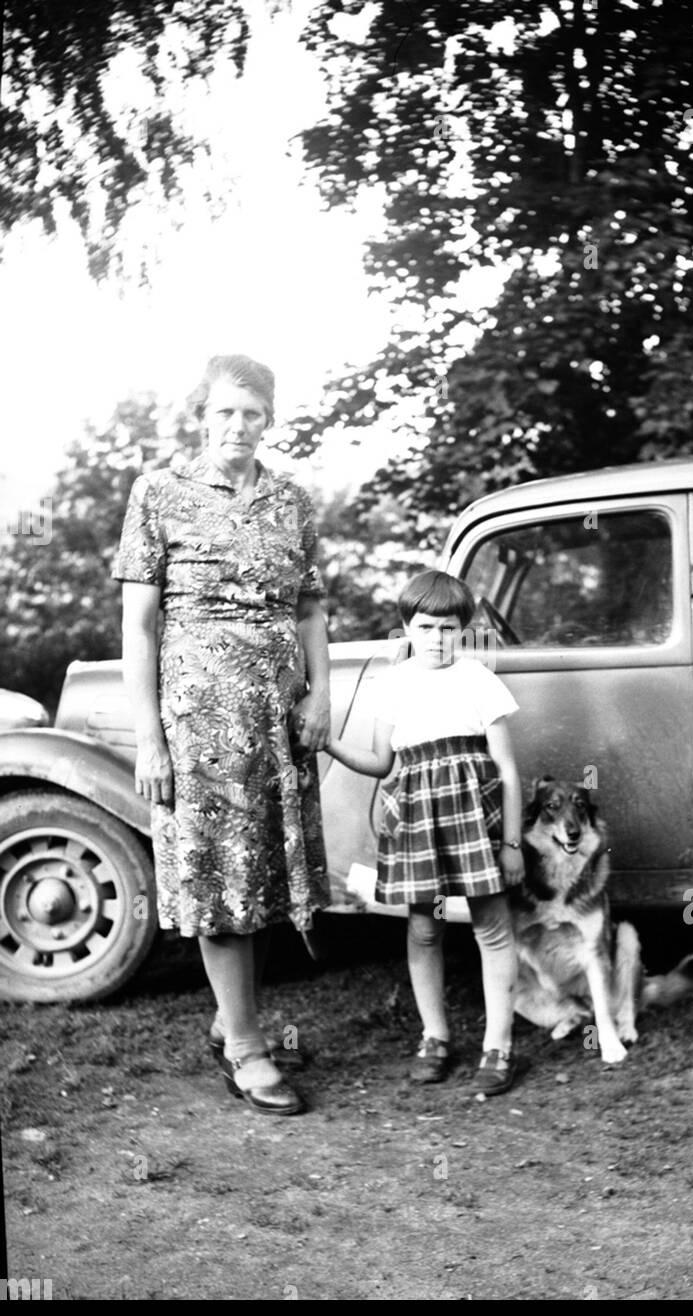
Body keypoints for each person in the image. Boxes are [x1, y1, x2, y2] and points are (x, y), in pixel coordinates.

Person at [112, 354, 331, 1117]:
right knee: (219, 879)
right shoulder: (158, 493)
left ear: (270, 418)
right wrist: (149, 739)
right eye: (223, 413)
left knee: (266, 872)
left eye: (251, 414)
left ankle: (228, 1021)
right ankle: (245, 1047)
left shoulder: (291, 501)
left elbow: (309, 608)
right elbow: (139, 627)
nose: (237, 427)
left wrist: (321, 693)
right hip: (198, 721)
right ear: (201, 417)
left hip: (277, 715)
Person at [325, 570, 525, 1096]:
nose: (438, 639)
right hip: (417, 818)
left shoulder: (478, 679)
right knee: (425, 928)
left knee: (492, 927)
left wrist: (511, 844)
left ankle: (498, 1045)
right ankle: (435, 1036)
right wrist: (326, 744)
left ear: (464, 630)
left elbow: (507, 769)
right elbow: (379, 762)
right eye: (426, 627)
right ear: (407, 626)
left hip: (472, 819)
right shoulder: (393, 683)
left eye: (449, 628)